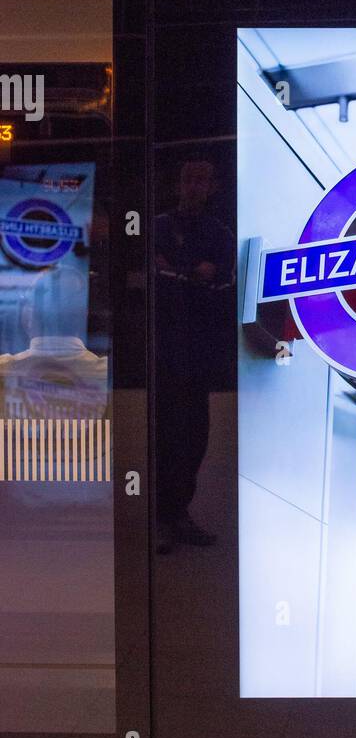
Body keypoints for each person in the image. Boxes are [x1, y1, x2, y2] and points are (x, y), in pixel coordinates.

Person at [154, 160, 234, 553]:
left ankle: (178, 514)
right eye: (188, 177)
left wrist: (182, 273)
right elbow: (156, 274)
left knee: (194, 438)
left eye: (202, 178)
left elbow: (221, 279)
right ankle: (162, 519)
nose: (194, 185)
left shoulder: (219, 233)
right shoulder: (158, 227)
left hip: (199, 353)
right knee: (164, 436)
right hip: (163, 350)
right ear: (178, 183)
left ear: (212, 186)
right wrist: (193, 273)